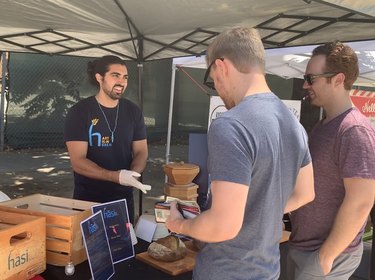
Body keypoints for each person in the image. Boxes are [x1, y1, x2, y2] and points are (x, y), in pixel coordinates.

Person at [166, 27, 315, 280]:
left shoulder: (231, 124)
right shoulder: (294, 126)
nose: (218, 90)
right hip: (267, 270)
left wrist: (180, 225)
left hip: (226, 271)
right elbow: (305, 193)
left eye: (213, 80)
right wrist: (260, 213)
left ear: (222, 66)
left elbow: (222, 226)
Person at [287, 41, 375, 279]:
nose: (305, 85)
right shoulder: (324, 125)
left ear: (338, 79)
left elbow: (362, 201)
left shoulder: (354, 130)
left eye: (311, 78)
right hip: (304, 247)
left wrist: (325, 257)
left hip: (326, 257)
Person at [64, 55, 150, 224]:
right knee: (90, 250)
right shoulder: (80, 112)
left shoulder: (133, 111)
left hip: (123, 200)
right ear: (99, 77)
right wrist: (116, 176)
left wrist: (133, 174)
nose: (122, 81)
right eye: (115, 75)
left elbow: (141, 151)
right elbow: (78, 161)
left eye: (125, 77)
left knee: (124, 249)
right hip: (88, 201)